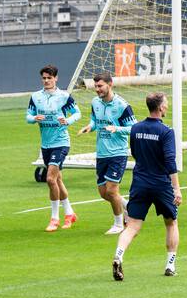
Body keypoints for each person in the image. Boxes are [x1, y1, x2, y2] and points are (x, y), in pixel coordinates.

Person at [113, 92, 181, 280]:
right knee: (171, 222)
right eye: (166, 103)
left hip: (140, 182)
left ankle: (118, 255)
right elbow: (170, 161)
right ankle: (170, 264)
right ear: (160, 108)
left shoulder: (135, 128)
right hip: (161, 184)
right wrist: (176, 188)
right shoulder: (166, 131)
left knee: (133, 226)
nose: (167, 106)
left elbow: (135, 153)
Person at [78, 73, 135, 234]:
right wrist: (90, 126)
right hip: (102, 153)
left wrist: (117, 128)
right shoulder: (95, 102)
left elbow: (134, 128)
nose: (97, 89)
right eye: (95, 86)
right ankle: (128, 207)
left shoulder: (122, 105)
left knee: (111, 190)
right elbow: (95, 121)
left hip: (118, 153)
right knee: (104, 193)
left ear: (110, 84)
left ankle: (119, 224)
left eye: (100, 86)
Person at [26, 65, 81, 232]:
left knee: (50, 179)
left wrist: (68, 121)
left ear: (55, 78)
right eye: (44, 78)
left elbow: (77, 113)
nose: (46, 81)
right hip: (46, 145)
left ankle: (54, 218)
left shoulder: (64, 96)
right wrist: (34, 118)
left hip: (61, 143)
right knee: (57, 180)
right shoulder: (35, 97)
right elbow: (27, 117)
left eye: (49, 78)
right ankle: (70, 213)